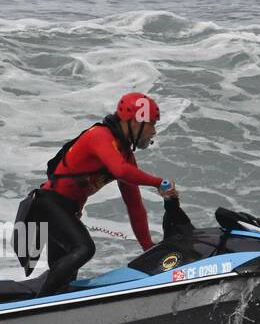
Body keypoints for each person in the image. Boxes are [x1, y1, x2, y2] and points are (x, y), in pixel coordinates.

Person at [15, 92, 178, 296]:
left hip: (66, 212)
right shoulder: (99, 136)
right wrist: (157, 183)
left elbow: (135, 206)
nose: (153, 131)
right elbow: (120, 170)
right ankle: (36, 309)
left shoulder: (124, 154)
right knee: (84, 249)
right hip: (48, 206)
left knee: (64, 283)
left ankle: (48, 313)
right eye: (151, 124)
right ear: (134, 122)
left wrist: (148, 247)